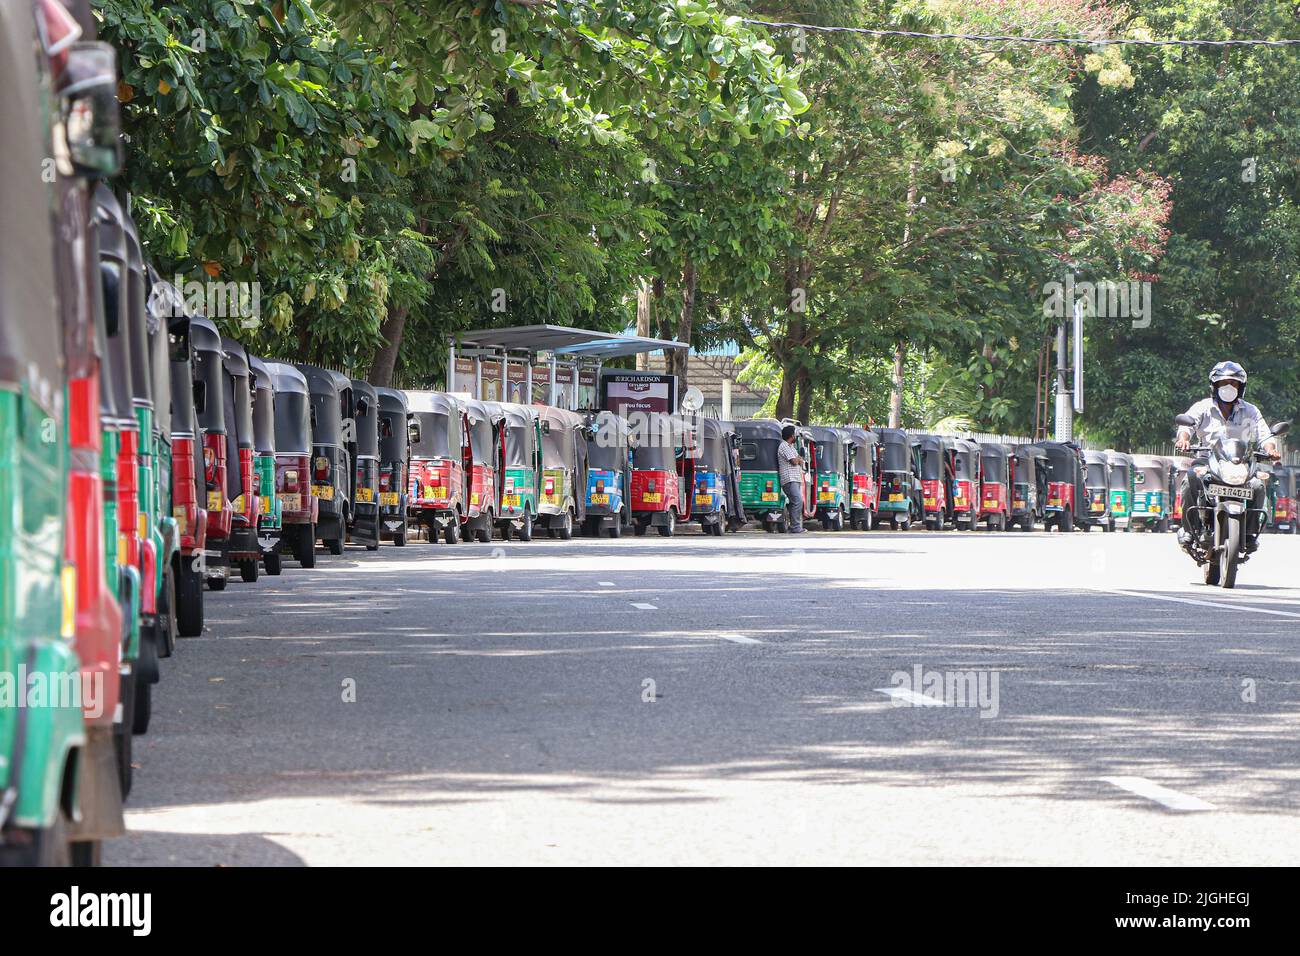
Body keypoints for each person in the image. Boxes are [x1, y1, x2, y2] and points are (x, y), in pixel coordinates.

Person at [1174, 361, 1279, 554]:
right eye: (1224, 383)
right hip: (1208, 460)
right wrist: (1183, 439)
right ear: (1215, 386)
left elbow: (1265, 435)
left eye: (1234, 383)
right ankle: (1189, 530)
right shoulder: (1203, 407)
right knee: (1190, 480)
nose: (1229, 388)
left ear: (1241, 388)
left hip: (1240, 464)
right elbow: (1186, 426)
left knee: (1257, 485)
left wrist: (1271, 449)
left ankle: (1249, 533)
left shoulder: (1251, 411)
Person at [778, 423, 806, 533]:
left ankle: (794, 525)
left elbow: (799, 459)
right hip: (789, 479)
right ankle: (795, 527)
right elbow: (795, 461)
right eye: (794, 434)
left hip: (795, 478)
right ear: (791, 435)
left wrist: (799, 459)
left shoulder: (791, 448)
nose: (795, 436)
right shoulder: (784, 446)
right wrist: (798, 460)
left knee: (796, 502)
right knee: (797, 501)